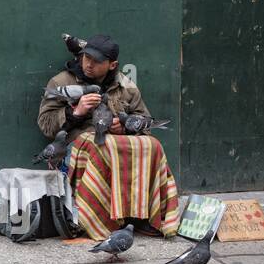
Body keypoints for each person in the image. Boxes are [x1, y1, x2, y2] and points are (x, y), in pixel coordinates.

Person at [37, 34, 180, 241]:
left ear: (113, 65)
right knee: (101, 147)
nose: (89, 64)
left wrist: (125, 127)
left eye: (97, 62)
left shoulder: (126, 85)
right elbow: (46, 124)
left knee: (152, 145)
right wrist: (75, 113)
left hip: (117, 143)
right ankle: (94, 219)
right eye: (86, 58)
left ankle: (144, 216)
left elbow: (144, 121)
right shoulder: (62, 81)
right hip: (76, 150)